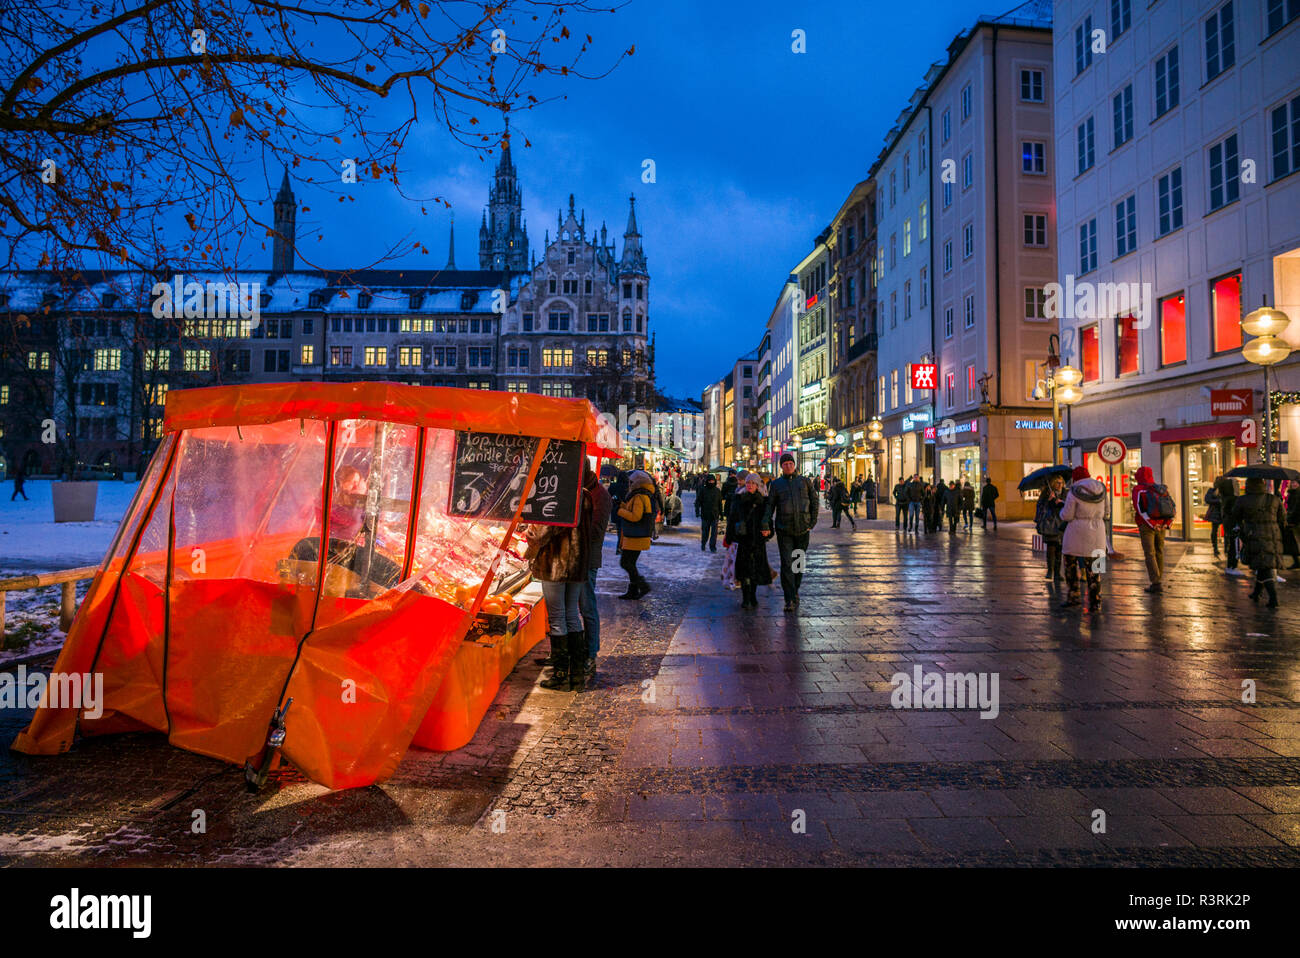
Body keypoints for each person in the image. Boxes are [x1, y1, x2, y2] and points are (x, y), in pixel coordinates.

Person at [524, 490, 592, 691]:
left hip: (555, 563)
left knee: (557, 617)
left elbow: (541, 533)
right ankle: (577, 676)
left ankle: (561, 674)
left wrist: (530, 531)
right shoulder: (585, 495)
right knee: (572, 614)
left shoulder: (560, 492)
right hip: (578, 564)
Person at [763, 452, 818, 612]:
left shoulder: (805, 482)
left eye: (790, 464)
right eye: (785, 464)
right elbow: (770, 506)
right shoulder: (777, 484)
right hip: (784, 530)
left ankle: (795, 591)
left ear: (794, 465)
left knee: (798, 564)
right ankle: (789, 599)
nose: (788, 466)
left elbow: (814, 502)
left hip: (802, 530)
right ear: (781, 467)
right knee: (787, 564)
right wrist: (766, 524)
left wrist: (812, 523)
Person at [1229, 477, 1286, 608]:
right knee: (1264, 564)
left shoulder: (1242, 500)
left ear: (1248, 485)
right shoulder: (1274, 499)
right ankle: (1256, 592)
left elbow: (1235, 516)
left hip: (1254, 535)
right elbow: (1282, 518)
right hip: (1273, 535)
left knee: (1264, 566)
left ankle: (1273, 598)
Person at [578, 462, 612, 683]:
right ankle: (575, 653)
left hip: (587, 558)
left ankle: (591, 653)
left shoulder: (598, 495)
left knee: (587, 606)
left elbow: (596, 531)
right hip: (576, 557)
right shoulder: (582, 490)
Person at [1060, 465, 1109, 611]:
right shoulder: (1102, 488)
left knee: (1070, 564)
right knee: (1096, 570)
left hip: (1076, 534)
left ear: (1075, 478)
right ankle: (1096, 601)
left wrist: (1061, 511)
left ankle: (1073, 597)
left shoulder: (1074, 491)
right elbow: (1107, 513)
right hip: (1098, 534)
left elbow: (1067, 515)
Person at [726, 474, 774, 609]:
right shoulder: (738, 499)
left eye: (753, 483)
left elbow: (768, 519)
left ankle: (753, 596)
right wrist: (729, 538)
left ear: (757, 485)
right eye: (748, 483)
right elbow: (732, 518)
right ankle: (746, 598)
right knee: (744, 571)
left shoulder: (763, 501)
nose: (750, 485)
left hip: (758, 541)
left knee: (755, 571)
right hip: (742, 540)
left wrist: (769, 531)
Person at [1132, 465, 1174, 594]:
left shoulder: (1138, 489)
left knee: (1149, 553)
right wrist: (1167, 523)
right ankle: (1158, 579)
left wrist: (1151, 524)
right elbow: (1171, 507)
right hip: (1162, 525)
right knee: (1159, 551)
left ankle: (1156, 583)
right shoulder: (1160, 489)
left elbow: (1139, 509)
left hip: (1147, 526)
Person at [615, 469, 656, 599]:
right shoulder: (641, 495)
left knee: (626, 563)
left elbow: (635, 516)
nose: (629, 484)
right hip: (637, 537)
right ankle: (633, 590)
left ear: (637, 483)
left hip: (636, 537)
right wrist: (621, 504)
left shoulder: (639, 496)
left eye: (631, 482)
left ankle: (642, 586)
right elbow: (633, 510)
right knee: (629, 563)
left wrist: (620, 511)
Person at [1035, 474, 1067, 581]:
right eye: (1058, 483)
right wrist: (1049, 501)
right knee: (1051, 548)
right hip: (1050, 524)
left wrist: (1061, 502)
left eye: (1061, 483)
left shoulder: (1066, 493)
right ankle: (1050, 571)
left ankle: (1057, 573)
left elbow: (1070, 506)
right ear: (1053, 483)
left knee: (1059, 549)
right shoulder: (1046, 493)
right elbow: (1040, 507)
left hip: (1061, 524)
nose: (1060, 485)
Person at [696, 473, 722, 552]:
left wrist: (721, 513)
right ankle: (703, 543)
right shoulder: (703, 490)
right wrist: (697, 511)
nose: (711, 482)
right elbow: (698, 502)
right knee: (705, 532)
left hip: (715, 515)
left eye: (712, 481)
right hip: (705, 514)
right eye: (710, 481)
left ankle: (712, 547)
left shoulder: (717, 491)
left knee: (714, 533)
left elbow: (719, 503)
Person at [1281, 479, 1300, 570]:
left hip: (1296, 521)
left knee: (1294, 542)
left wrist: (1291, 519)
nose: (1294, 484)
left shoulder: (1297, 494)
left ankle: (1296, 561)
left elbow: (1296, 509)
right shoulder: (1291, 493)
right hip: (1292, 520)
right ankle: (1296, 561)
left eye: (1296, 482)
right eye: (1292, 482)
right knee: (1292, 542)